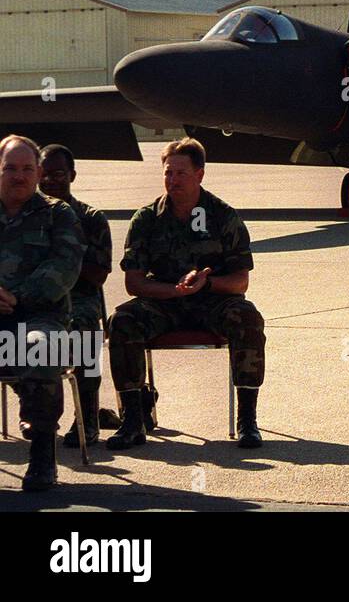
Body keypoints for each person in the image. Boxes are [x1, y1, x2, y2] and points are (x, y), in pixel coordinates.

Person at [105, 137, 267, 449]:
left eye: (180, 173)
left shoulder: (222, 216)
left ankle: (248, 420)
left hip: (213, 302)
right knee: (122, 320)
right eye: (168, 173)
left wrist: (206, 284)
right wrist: (173, 290)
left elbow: (240, 282)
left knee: (248, 319)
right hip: (164, 303)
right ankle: (133, 420)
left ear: (199, 175)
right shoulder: (147, 219)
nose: (173, 180)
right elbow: (134, 282)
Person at [0, 134, 86, 490]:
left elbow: (65, 267)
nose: (18, 176)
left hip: (41, 318)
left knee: (42, 346)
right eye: (9, 168)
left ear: (37, 173)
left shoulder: (58, 214)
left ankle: (41, 457)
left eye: (26, 169)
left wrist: (14, 297)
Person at [37, 144, 115, 445]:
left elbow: (97, 275)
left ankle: (88, 417)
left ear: (72, 175)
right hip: (32, 297)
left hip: (77, 297)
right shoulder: (25, 215)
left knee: (84, 331)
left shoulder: (91, 219)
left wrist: (62, 258)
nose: (50, 181)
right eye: (44, 174)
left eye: (58, 174)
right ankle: (36, 415)